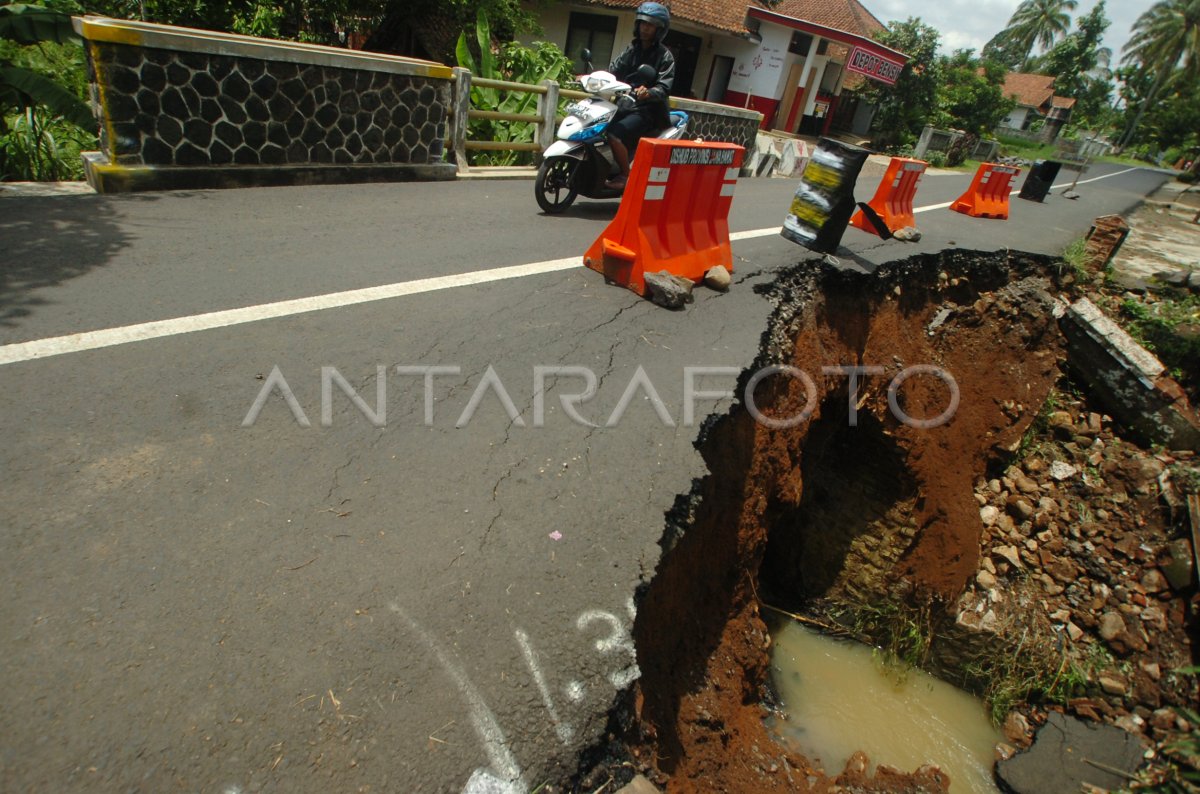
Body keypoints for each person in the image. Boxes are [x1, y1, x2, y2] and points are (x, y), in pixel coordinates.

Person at [604, 2, 675, 190]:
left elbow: (664, 87)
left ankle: (624, 175)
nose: (645, 28)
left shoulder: (665, 56)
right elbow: (613, 71)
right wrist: (593, 78)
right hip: (625, 104)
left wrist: (648, 92)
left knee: (614, 134)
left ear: (659, 29)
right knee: (598, 127)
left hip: (648, 111)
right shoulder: (631, 50)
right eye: (643, 23)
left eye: (650, 25)